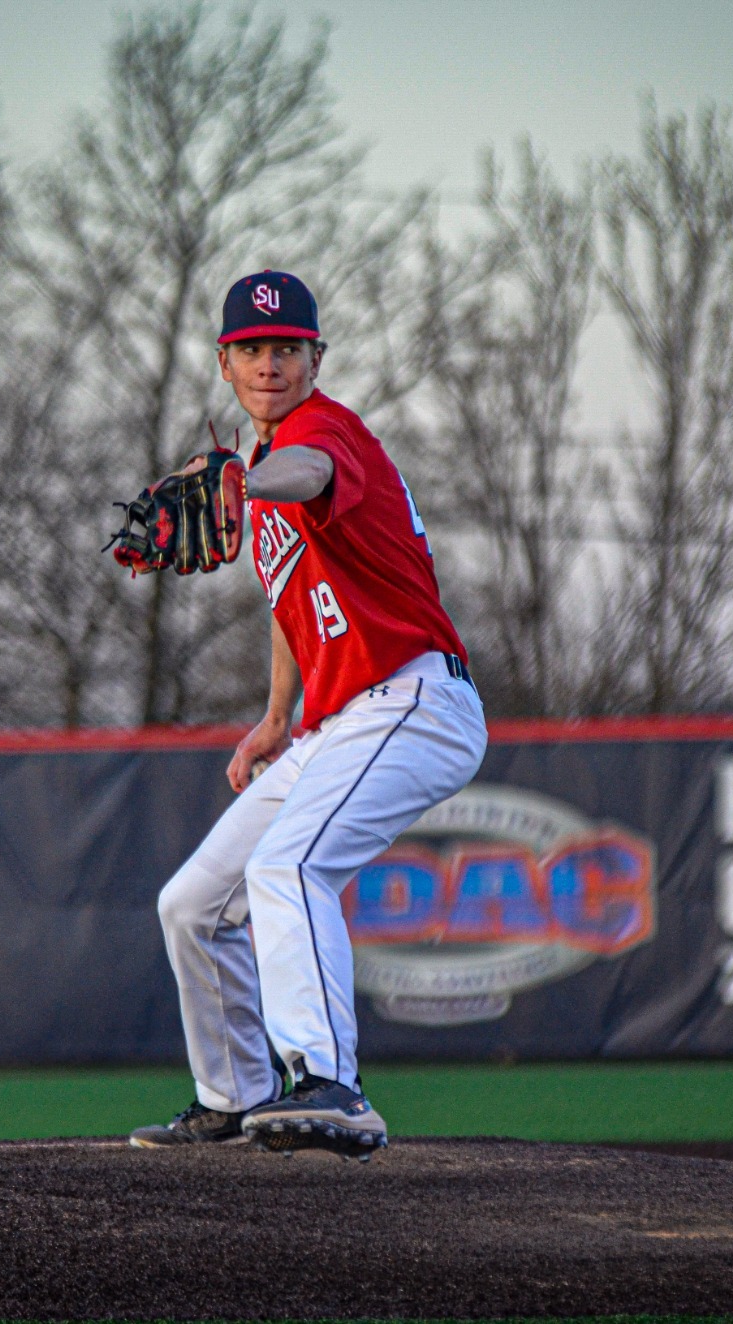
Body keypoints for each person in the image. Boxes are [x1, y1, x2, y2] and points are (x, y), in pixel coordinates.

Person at [130, 271, 487, 1157]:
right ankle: (234, 1094)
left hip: (415, 698)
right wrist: (276, 715)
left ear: (315, 358)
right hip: (339, 720)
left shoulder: (319, 437)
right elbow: (294, 600)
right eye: (252, 350)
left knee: (286, 869)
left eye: (287, 348)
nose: (270, 363)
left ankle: (334, 1084)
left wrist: (250, 483)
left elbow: (309, 472)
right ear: (224, 363)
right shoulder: (264, 480)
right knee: (193, 903)